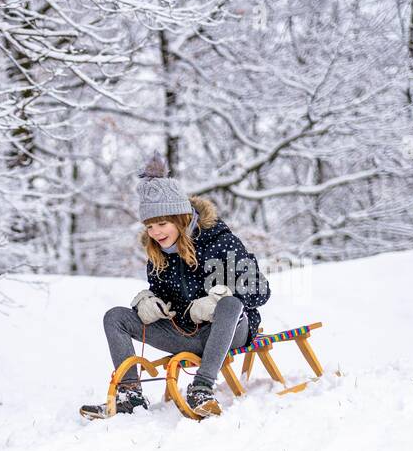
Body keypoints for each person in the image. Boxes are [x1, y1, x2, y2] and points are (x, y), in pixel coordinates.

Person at [81, 156, 271, 420]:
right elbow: (163, 293)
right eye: (149, 226)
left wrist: (218, 300)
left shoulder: (220, 242)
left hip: (227, 330)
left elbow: (260, 290)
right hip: (184, 334)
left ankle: (202, 389)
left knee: (230, 304)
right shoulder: (158, 253)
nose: (156, 233)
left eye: (162, 224)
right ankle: (130, 397)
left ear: (181, 219)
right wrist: (148, 301)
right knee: (115, 317)